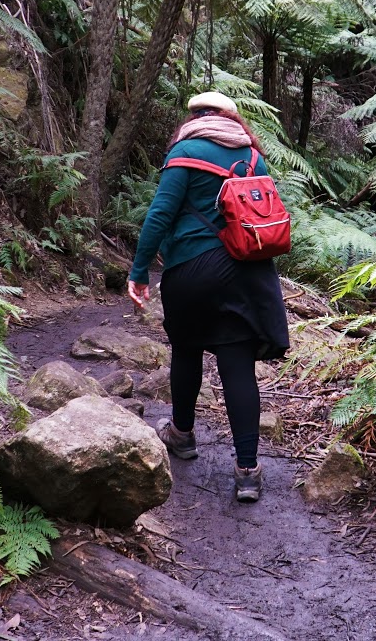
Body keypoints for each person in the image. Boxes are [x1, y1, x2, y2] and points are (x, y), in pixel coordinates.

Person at [127, 91, 290, 503]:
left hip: (194, 269)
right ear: (232, 119)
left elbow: (161, 214)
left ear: (195, 117)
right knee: (237, 366)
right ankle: (248, 471)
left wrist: (139, 270)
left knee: (186, 350)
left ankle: (181, 435)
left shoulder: (185, 151)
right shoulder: (254, 157)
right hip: (247, 271)